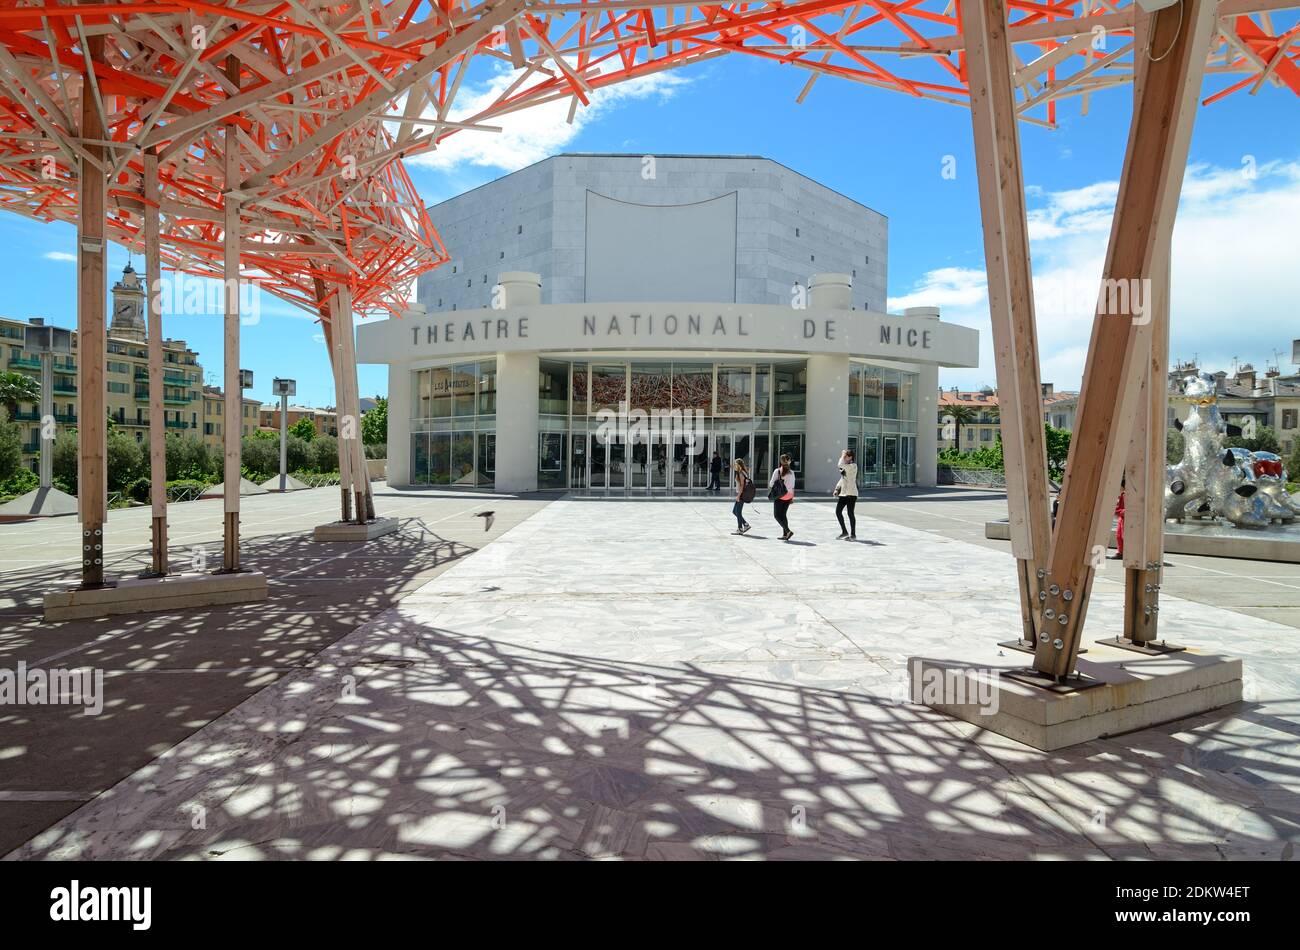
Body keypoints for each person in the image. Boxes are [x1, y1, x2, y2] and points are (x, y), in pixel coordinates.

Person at [769, 454, 796, 540]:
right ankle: (785, 535)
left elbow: (771, 484)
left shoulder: (777, 471)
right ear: (789, 461)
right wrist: (792, 497)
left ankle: (788, 531)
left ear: (781, 461)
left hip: (780, 496)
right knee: (783, 515)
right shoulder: (792, 472)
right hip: (789, 495)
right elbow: (792, 486)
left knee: (777, 515)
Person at [833, 448, 858, 540]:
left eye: (846, 456)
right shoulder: (845, 466)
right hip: (843, 493)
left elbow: (839, 464)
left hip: (851, 493)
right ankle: (844, 532)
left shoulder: (853, 466)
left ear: (850, 457)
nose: (844, 457)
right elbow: (842, 478)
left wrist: (842, 455)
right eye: (844, 456)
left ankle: (853, 534)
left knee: (850, 513)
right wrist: (837, 489)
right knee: (838, 512)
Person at [731, 460, 753, 535]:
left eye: (735, 464)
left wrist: (738, 496)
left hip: (741, 495)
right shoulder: (743, 472)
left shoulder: (741, 473)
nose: (734, 466)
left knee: (738, 512)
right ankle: (745, 525)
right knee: (735, 511)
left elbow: (742, 486)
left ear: (738, 465)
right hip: (741, 494)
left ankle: (740, 528)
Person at [1109, 475, 1126, 560]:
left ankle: (1122, 552)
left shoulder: (1124, 494)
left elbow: (1121, 508)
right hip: (1122, 517)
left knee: (1122, 535)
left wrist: (1118, 511)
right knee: (1119, 535)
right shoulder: (1123, 494)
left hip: (1124, 517)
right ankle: (1120, 552)